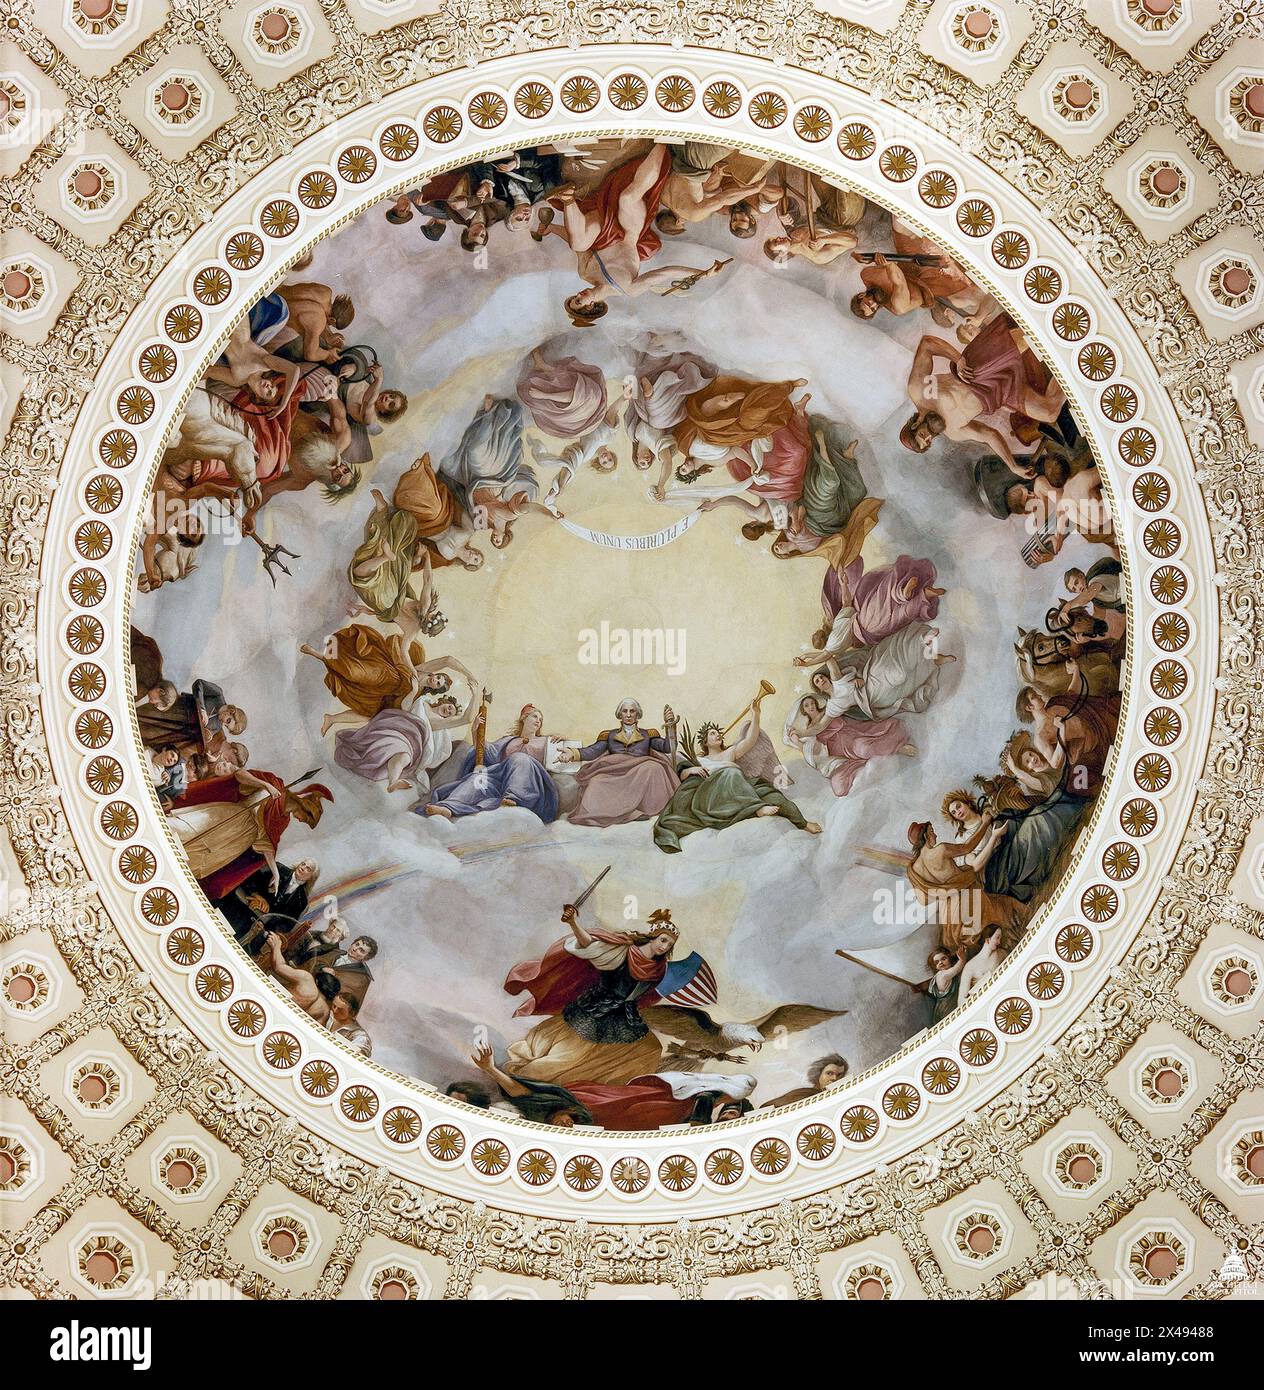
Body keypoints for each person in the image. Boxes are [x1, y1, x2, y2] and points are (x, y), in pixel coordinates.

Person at [539, 144, 731, 323]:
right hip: (630, 232)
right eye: (579, 301)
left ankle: (568, 199)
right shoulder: (629, 289)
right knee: (628, 198)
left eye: (575, 298)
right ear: (592, 306)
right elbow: (665, 273)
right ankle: (662, 142)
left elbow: (575, 239)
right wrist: (701, 274)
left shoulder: (585, 273)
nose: (579, 295)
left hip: (603, 229)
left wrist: (552, 229)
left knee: (577, 244)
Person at [500, 905, 681, 1087]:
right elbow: (589, 945)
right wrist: (573, 923)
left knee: (649, 1049)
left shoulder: (659, 968)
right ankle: (525, 1078)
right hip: (596, 1010)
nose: (664, 946)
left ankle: (606, 1086)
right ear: (653, 937)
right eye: (663, 940)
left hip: (624, 1017)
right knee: (569, 1057)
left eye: (669, 945)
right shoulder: (625, 951)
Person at [901, 315, 1066, 475]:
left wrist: (958, 360)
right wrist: (1012, 466)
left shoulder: (918, 391)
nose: (930, 435)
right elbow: (989, 435)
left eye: (923, 435)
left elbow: (927, 344)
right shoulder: (954, 432)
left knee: (1026, 338)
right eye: (929, 441)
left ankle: (1061, 323)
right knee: (1049, 412)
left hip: (980, 368)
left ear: (915, 425)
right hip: (1001, 392)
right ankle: (1068, 364)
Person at [653, 702, 821, 853]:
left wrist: (756, 714)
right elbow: (682, 774)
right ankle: (756, 808)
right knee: (731, 772)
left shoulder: (730, 752)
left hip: (738, 789)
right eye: (712, 733)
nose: (717, 735)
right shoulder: (699, 760)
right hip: (712, 796)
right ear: (705, 741)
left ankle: (803, 823)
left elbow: (751, 739)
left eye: (718, 733)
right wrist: (692, 770)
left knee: (772, 795)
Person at [469, 1043, 755, 1129]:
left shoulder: (558, 1104)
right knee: (666, 1108)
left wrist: (490, 1069)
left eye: (563, 1123)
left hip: (612, 1100)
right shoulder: (567, 1120)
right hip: (632, 1118)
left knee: (660, 1097)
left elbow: (525, 1093)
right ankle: (705, 1100)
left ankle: (708, 1096)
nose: (566, 1124)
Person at [165, 769, 331, 899]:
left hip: (236, 843)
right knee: (180, 830)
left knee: (194, 864)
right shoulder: (274, 783)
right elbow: (240, 775)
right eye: (306, 818)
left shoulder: (284, 820)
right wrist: (265, 785)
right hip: (227, 818)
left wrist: (276, 873)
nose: (302, 821)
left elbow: (267, 845)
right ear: (302, 806)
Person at [422, 703, 562, 823]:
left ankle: (513, 799)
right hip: (499, 780)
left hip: (528, 786)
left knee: (519, 758)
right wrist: (475, 731)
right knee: (477, 779)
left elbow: (564, 756)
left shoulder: (546, 741)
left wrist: (562, 742)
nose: (539, 721)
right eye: (535, 716)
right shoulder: (508, 741)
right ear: (523, 718)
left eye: (541, 719)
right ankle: (448, 807)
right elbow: (486, 751)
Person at [906, 820, 1026, 957]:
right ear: (926, 836)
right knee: (1002, 912)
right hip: (969, 898)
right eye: (932, 832)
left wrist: (946, 890)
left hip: (950, 913)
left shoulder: (913, 870)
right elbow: (968, 847)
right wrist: (985, 824)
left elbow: (923, 900)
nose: (936, 835)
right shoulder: (941, 850)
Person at [559, 699, 680, 827]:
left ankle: (642, 810)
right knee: (596, 782)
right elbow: (593, 751)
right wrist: (573, 753)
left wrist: (670, 726)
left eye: (632, 711)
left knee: (652, 767)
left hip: (640, 771)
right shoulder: (609, 735)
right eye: (625, 711)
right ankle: (619, 814)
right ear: (620, 714)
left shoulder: (648, 734)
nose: (628, 715)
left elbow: (667, 747)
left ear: (637, 714)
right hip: (614, 771)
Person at [798, 555, 944, 659]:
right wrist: (843, 584)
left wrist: (805, 661)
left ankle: (924, 596)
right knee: (884, 595)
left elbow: (822, 656)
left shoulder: (834, 646)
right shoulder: (838, 622)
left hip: (872, 631)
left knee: (901, 617)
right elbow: (847, 602)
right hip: (864, 616)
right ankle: (901, 593)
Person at [810, 623, 953, 723]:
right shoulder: (833, 705)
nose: (821, 679)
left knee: (899, 672)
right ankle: (933, 662)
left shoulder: (836, 679)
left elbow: (828, 656)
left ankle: (921, 642)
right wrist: (796, 736)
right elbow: (819, 726)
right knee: (905, 682)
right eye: (818, 681)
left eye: (820, 676)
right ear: (819, 690)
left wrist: (806, 661)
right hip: (874, 699)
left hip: (870, 678)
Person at [784, 694, 913, 798]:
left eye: (812, 703)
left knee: (864, 749)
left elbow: (823, 726)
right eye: (807, 705)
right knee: (839, 788)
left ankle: (897, 748)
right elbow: (814, 752)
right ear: (804, 710)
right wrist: (797, 741)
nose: (811, 706)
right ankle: (862, 763)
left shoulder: (827, 712)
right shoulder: (809, 728)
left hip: (851, 737)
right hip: (840, 752)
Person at [263, 932, 341, 1024]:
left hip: (270, 1007)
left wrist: (276, 945)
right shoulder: (325, 1012)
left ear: (317, 980)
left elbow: (278, 966)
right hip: (286, 1024)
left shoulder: (307, 980)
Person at [761, 1053, 849, 1109]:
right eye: (829, 1073)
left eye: (839, 1075)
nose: (834, 1078)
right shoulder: (806, 1093)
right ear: (818, 1075)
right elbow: (765, 1108)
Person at [958, 928, 1007, 1001]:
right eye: (997, 937)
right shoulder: (970, 966)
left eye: (1000, 938)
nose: (999, 942)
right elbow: (961, 1000)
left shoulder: (1002, 953)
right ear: (987, 940)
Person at [326, 992, 372, 1057]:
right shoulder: (327, 1015)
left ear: (352, 1013)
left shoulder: (360, 1035)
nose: (335, 1011)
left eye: (340, 1010)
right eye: (334, 1006)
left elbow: (358, 1057)